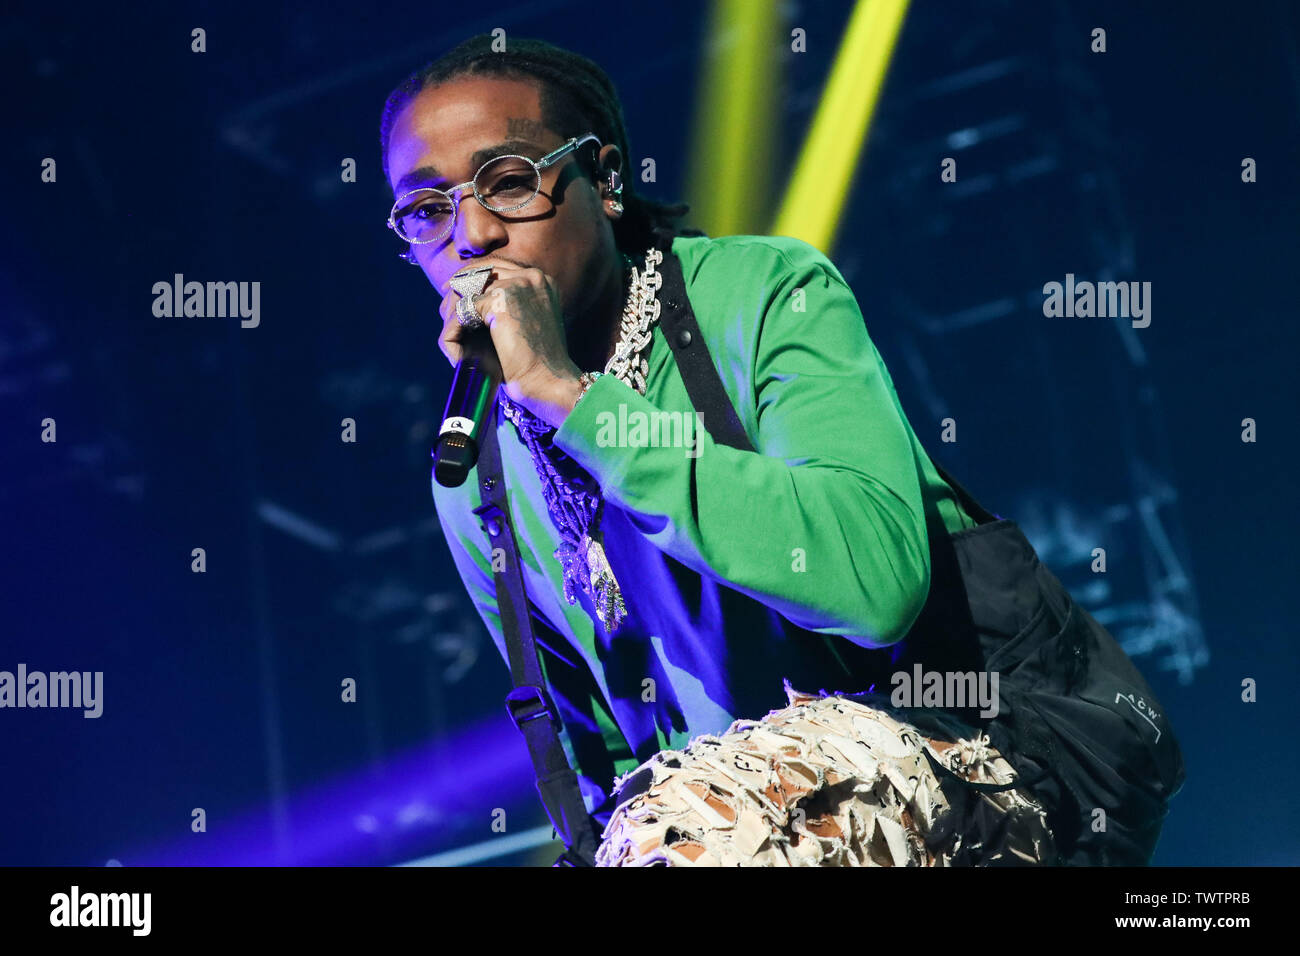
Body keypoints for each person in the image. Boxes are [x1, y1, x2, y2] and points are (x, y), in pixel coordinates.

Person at [378, 34, 1183, 866]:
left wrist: (573, 399)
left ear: (606, 179)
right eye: (426, 209)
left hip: (968, 753)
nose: (470, 233)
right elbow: (603, 754)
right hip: (730, 821)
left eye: (509, 182)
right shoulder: (473, 466)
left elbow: (873, 588)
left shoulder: (766, 295)